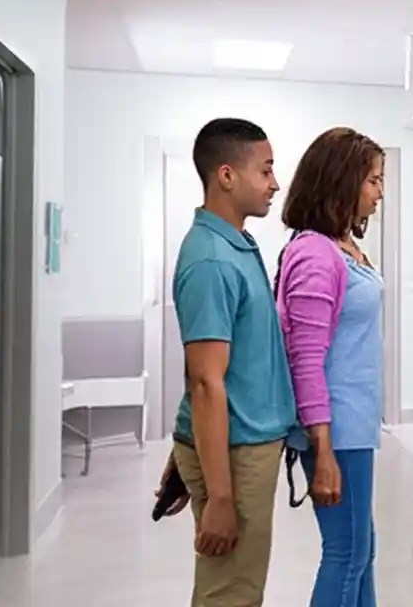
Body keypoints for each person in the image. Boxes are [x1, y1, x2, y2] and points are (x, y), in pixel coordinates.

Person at [159, 117, 296, 606]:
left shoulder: (237, 244)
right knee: (231, 595)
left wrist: (187, 447)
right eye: (266, 170)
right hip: (238, 454)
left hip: (239, 443)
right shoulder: (213, 260)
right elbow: (205, 382)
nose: (275, 183)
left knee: (238, 589)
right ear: (226, 175)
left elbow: (208, 370)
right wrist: (219, 495)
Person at [274, 127, 386, 607]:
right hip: (334, 430)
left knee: (361, 550)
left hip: (352, 425)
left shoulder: (340, 247)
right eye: (374, 181)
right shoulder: (317, 254)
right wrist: (322, 449)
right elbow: (306, 358)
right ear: (343, 181)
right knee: (345, 553)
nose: (380, 192)